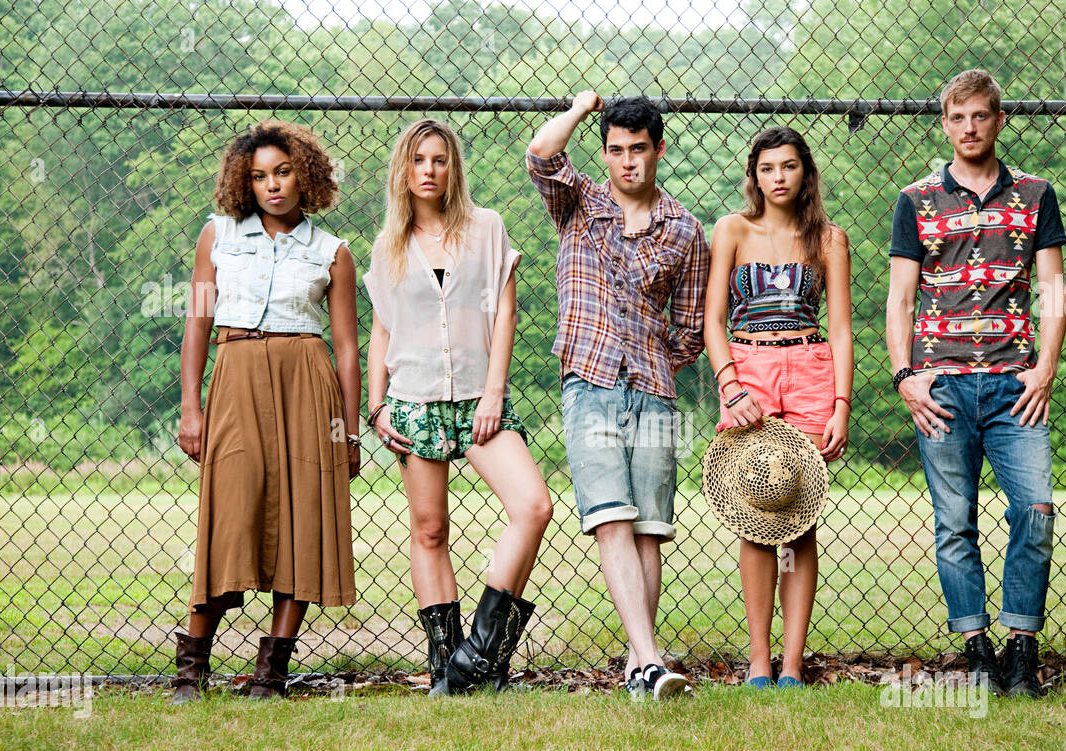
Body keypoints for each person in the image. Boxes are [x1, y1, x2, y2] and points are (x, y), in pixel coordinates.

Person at [886, 69, 1066, 697]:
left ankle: (1022, 650)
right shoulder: (916, 200)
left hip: (1016, 385)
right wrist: (905, 375)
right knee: (955, 522)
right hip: (943, 387)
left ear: (998, 120)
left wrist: (1044, 367)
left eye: (980, 117)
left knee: (1036, 512)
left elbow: (1051, 292)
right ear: (945, 124)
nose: (969, 128)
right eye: (957, 118)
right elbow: (900, 299)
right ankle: (977, 652)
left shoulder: (1036, 195)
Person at [527, 91, 709, 700]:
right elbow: (540, 154)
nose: (627, 162)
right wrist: (581, 109)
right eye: (615, 151)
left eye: (638, 150)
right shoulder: (580, 201)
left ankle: (640, 667)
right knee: (610, 518)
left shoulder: (685, 228)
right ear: (602, 153)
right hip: (591, 379)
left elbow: (690, 326)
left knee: (649, 528)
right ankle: (652, 659)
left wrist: (657, 359)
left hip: (654, 386)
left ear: (658, 149)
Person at [173, 120, 360, 703]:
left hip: (307, 383)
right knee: (230, 513)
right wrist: (191, 407)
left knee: (303, 515)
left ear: (305, 175)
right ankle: (190, 671)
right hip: (235, 378)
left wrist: (347, 433)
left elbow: (349, 350)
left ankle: (271, 675)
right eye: (259, 176)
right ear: (243, 183)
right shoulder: (217, 237)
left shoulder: (333, 252)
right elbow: (198, 321)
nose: (272, 186)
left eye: (282, 172)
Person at [364, 118, 552, 695]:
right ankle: (449, 669)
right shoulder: (389, 245)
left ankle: (479, 653)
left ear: (453, 168)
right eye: (419, 160)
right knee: (429, 531)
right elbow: (381, 329)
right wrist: (375, 407)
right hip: (413, 400)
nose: (429, 170)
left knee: (533, 506)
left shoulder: (486, 229)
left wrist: (494, 391)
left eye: (440, 160)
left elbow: (504, 310)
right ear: (404, 169)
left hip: (479, 399)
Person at [702, 126, 853, 689]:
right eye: (768, 169)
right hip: (749, 371)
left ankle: (792, 665)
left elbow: (839, 329)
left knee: (799, 517)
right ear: (754, 176)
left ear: (805, 173)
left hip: (811, 369)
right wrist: (730, 385)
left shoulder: (829, 240)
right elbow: (713, 321)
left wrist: (840, 403)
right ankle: (759, 661)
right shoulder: (732, 230)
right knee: (757, 514)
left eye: (789, 167)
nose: (778, 178)